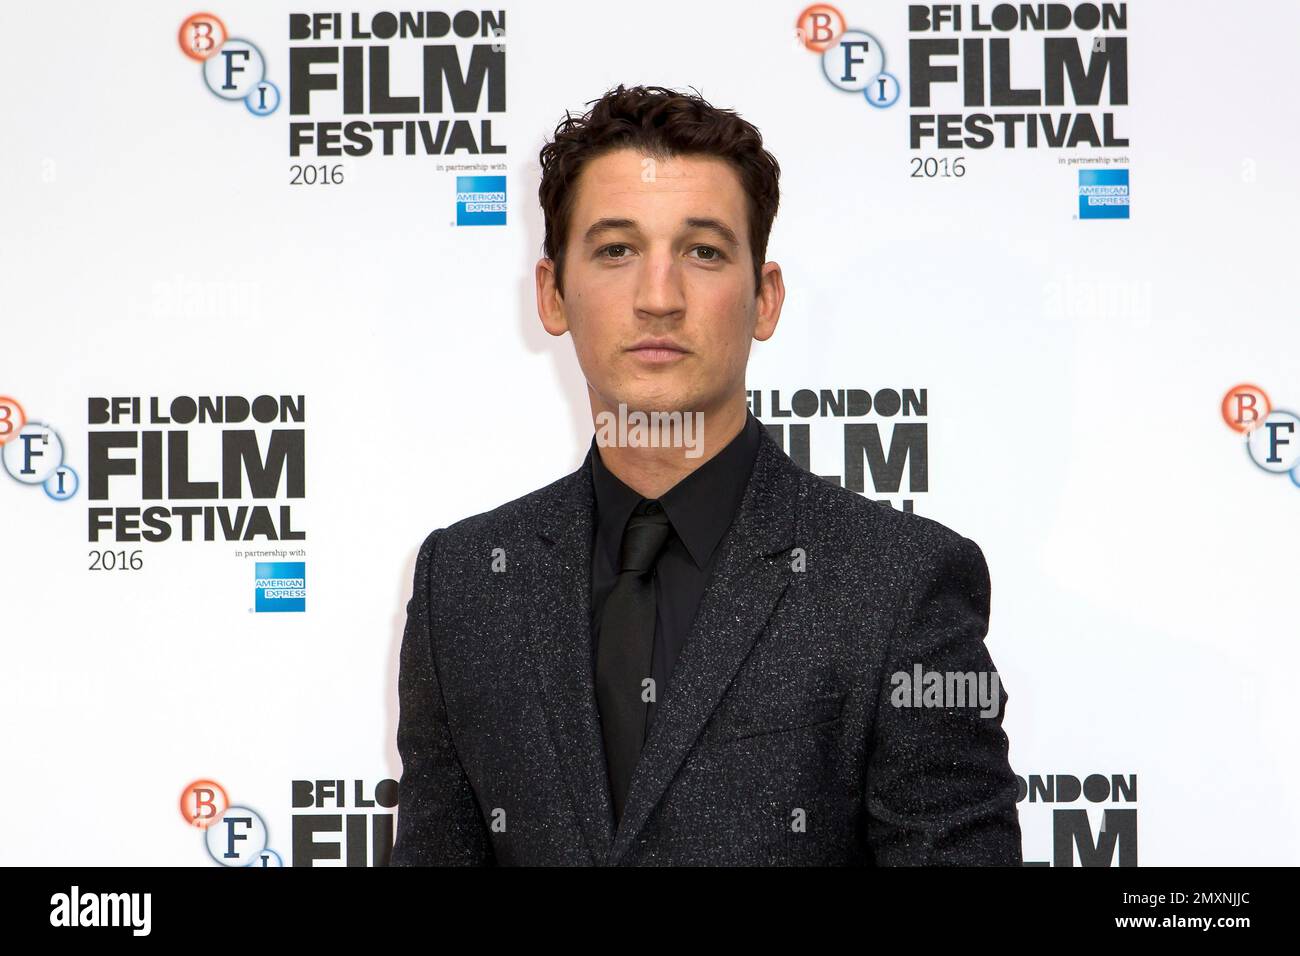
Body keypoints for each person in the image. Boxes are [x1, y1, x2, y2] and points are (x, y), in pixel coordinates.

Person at [389, 83, 1021, 865]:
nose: (659, 298)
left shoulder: (898, 581)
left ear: (765, 298)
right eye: (617, 249)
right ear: (553, 294)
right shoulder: (465, 584)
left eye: (704, 251)